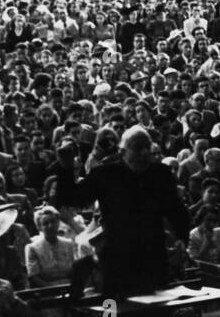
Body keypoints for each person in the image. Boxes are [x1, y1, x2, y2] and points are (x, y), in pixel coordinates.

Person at [55, 126, 190, 296]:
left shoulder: (161, 174)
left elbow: (177, 210)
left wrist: (181, 238)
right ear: (122, 151)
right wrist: (65, 168)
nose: (144, 153)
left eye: (147, 147)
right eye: (137, 148)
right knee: (111, 310)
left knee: (156, 311)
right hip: (115, 259)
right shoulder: (105, 174)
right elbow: (71, 199)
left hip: (153, 257)